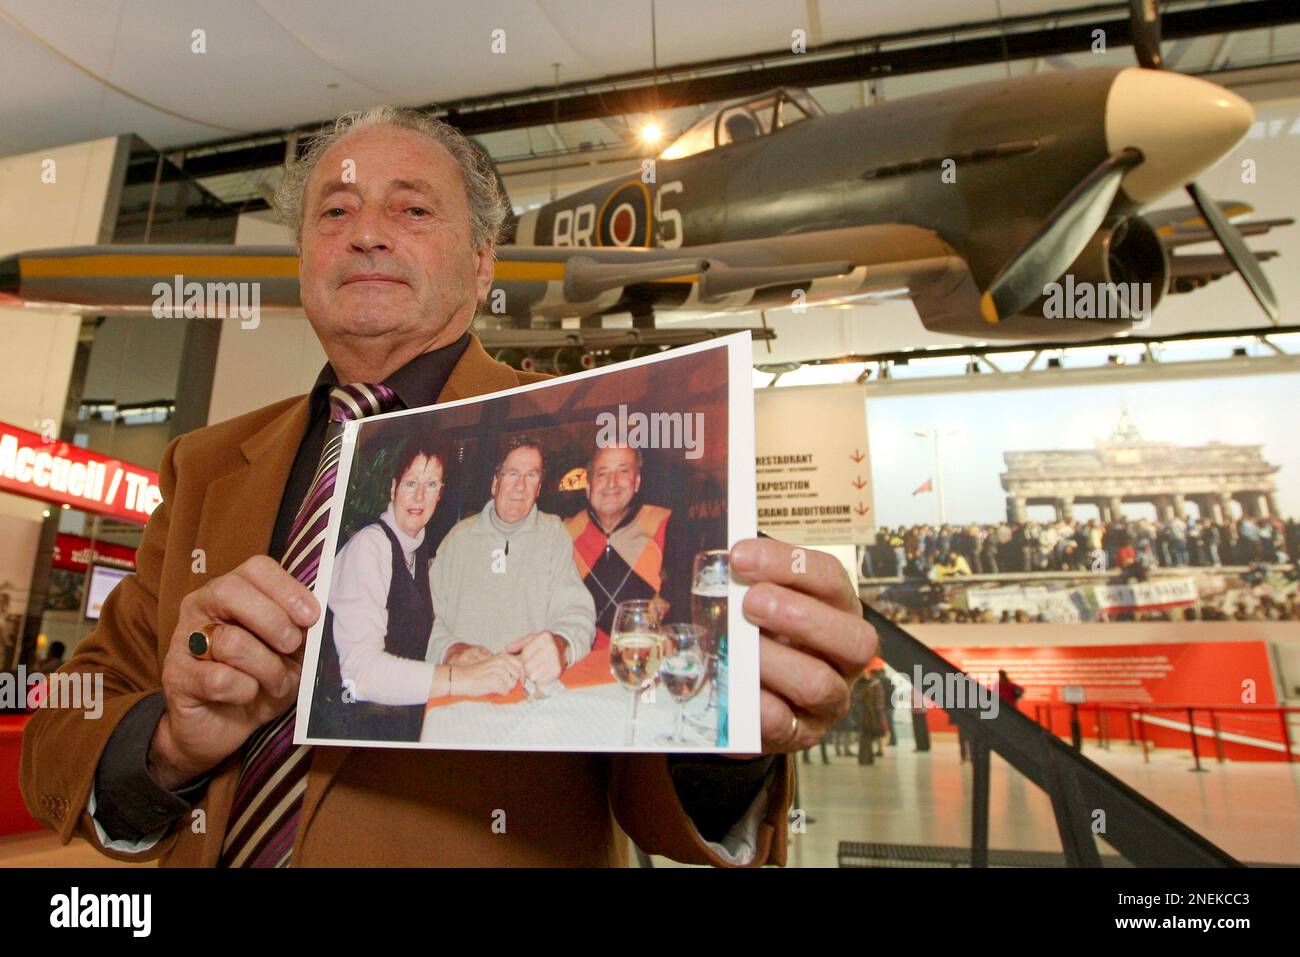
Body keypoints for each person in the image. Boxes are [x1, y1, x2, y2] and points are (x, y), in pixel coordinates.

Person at [19, 106, 875, 868]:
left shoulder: (589, 440)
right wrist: (171, 743)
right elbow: (69, 722)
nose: (365, 233)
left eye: (412, 209)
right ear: (305, 257)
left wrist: (732, 740)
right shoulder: (204, 465)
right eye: (336, 211)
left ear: (481, 264)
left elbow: (652, 780)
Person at [310, 439, 520, 741]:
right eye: (411, 483)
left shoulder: (419, 552)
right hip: (345, 727)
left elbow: (413, 632)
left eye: (431, 483)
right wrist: (465, 678)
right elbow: (361, 674)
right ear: (394, 489)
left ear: (440, 494)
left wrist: (453, 652)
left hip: (393, 719)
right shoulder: (370, 547)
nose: (419, 495)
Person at [426, 435, 595, 687]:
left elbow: (577, 612)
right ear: (495, 484)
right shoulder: (459, 539)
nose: (520, 487)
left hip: (529, 686)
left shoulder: (554, 534)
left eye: (531, 476)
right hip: (463, 684)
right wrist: (451, 649)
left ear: (538, 489)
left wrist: (561, 645)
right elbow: (424, 617)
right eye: (512, 473)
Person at [564, 444, 691, 650]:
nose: (611, 483)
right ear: (588, 487)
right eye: (602, 473)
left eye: (623, 471)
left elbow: (680, 598)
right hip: (583, 666)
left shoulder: (665, 525)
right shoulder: (564, 534)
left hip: (648, 660)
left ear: (637, 482)